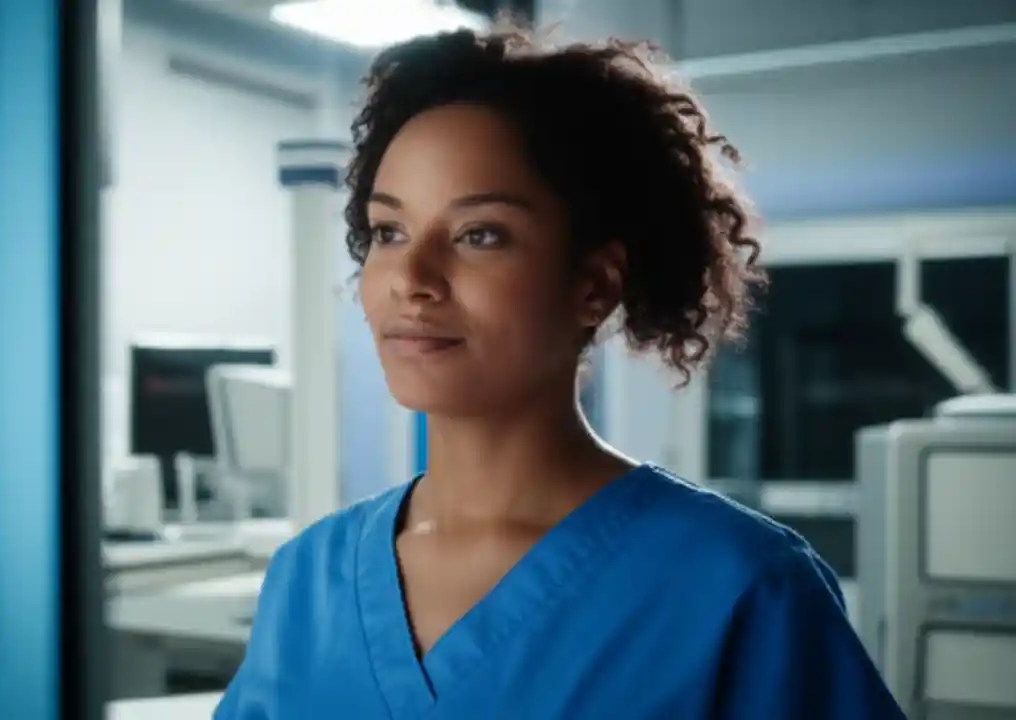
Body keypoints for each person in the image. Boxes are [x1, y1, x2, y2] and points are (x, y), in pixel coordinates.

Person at [216, 27, 903, 719]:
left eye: (479, 234)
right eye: (389, 232)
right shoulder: (309, 579)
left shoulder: (736, 587)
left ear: (593, 285)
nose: (412, 280)